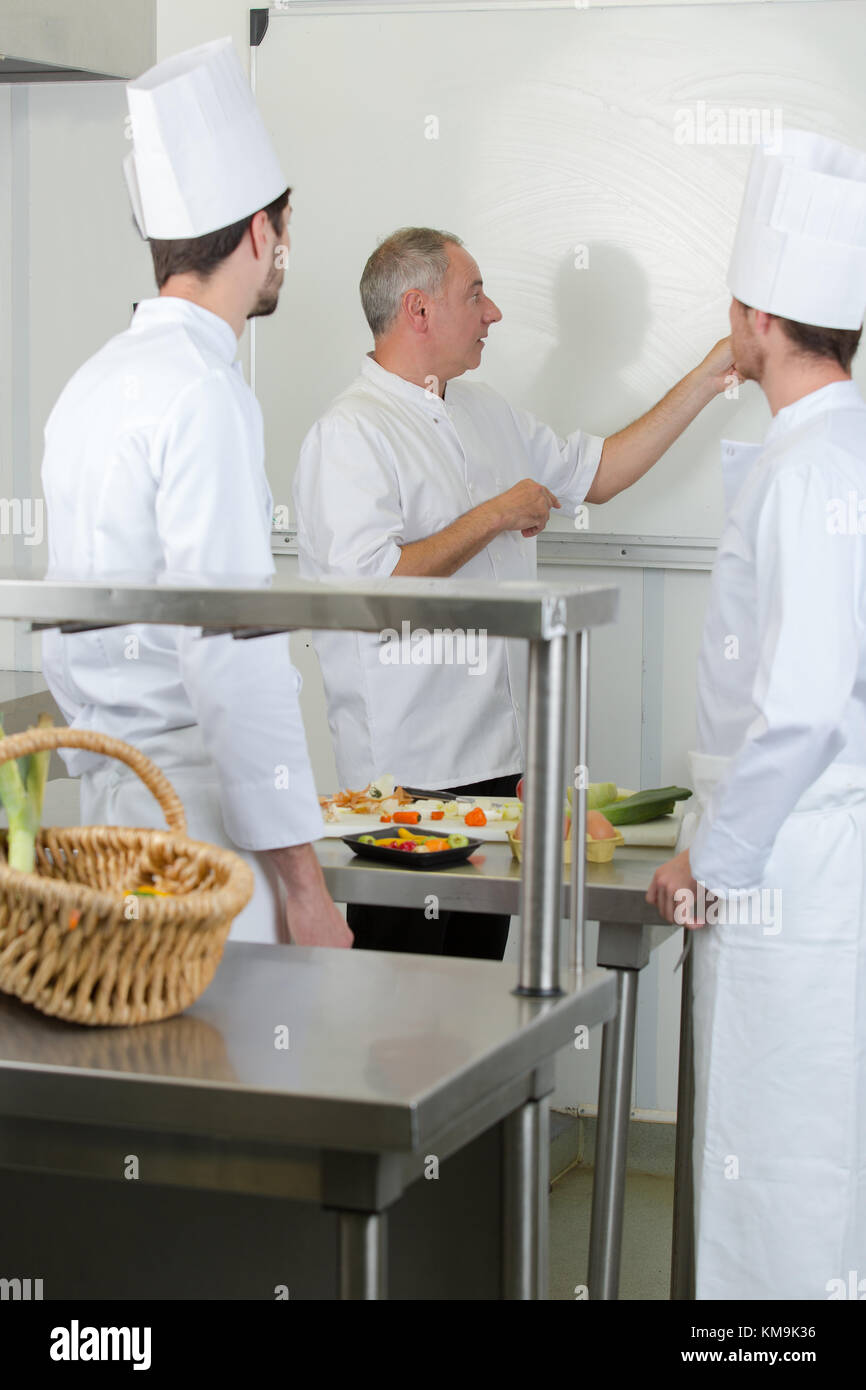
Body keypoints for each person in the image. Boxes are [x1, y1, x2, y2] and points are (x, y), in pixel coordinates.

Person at [294, 226, 736, 957]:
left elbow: (600, 472)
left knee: (469, 1004)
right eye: (476, 295)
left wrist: (714, 371)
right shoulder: (351, 433)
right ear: (420, 310)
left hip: (499, 774)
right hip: (408, 789)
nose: (493, 312)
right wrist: (496, 515)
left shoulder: (484, 411)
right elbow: (366, 589)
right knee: (399, 1019)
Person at [40, 37, 351, 948]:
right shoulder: (207, 393)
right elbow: (234, 656)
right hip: (201, 838)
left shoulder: (93, 383)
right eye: (284, 232)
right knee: (232, 1072)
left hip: (106, 827)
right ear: (263, 231)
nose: (285, 252)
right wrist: (305, 888)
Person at [647, 129, 866, 1299]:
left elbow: (797, 710)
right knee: (803, 1168)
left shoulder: (805, 470)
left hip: (788, 863)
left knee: (780, 1178)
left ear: (753, 320)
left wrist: (707, 859)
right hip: (811, 855)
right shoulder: (832, 448)